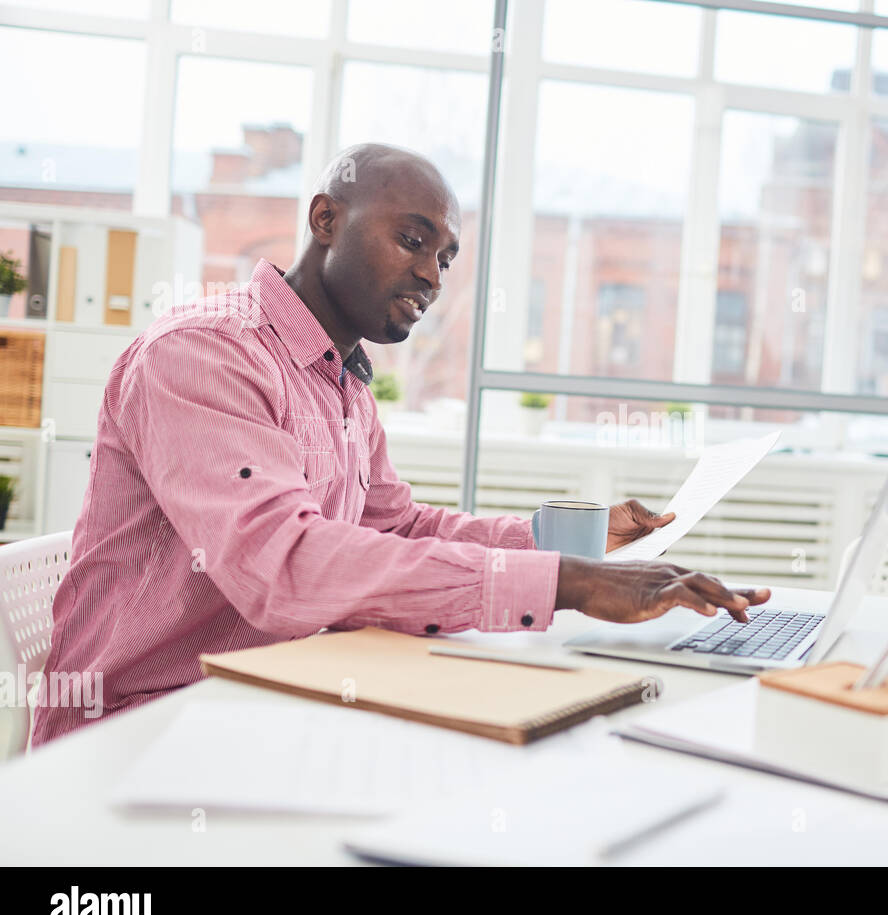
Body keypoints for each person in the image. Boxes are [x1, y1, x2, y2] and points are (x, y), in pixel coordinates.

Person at [31, 143, 770, 745]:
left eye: (445, 257)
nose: (430, 273)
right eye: (412, 240)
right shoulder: (204, 355)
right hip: (136, 731)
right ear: (326, 219)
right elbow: (283, 567)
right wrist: (566, 583)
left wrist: (565, 544)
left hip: (263, 699)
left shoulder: (342, 377)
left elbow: (395, 526)